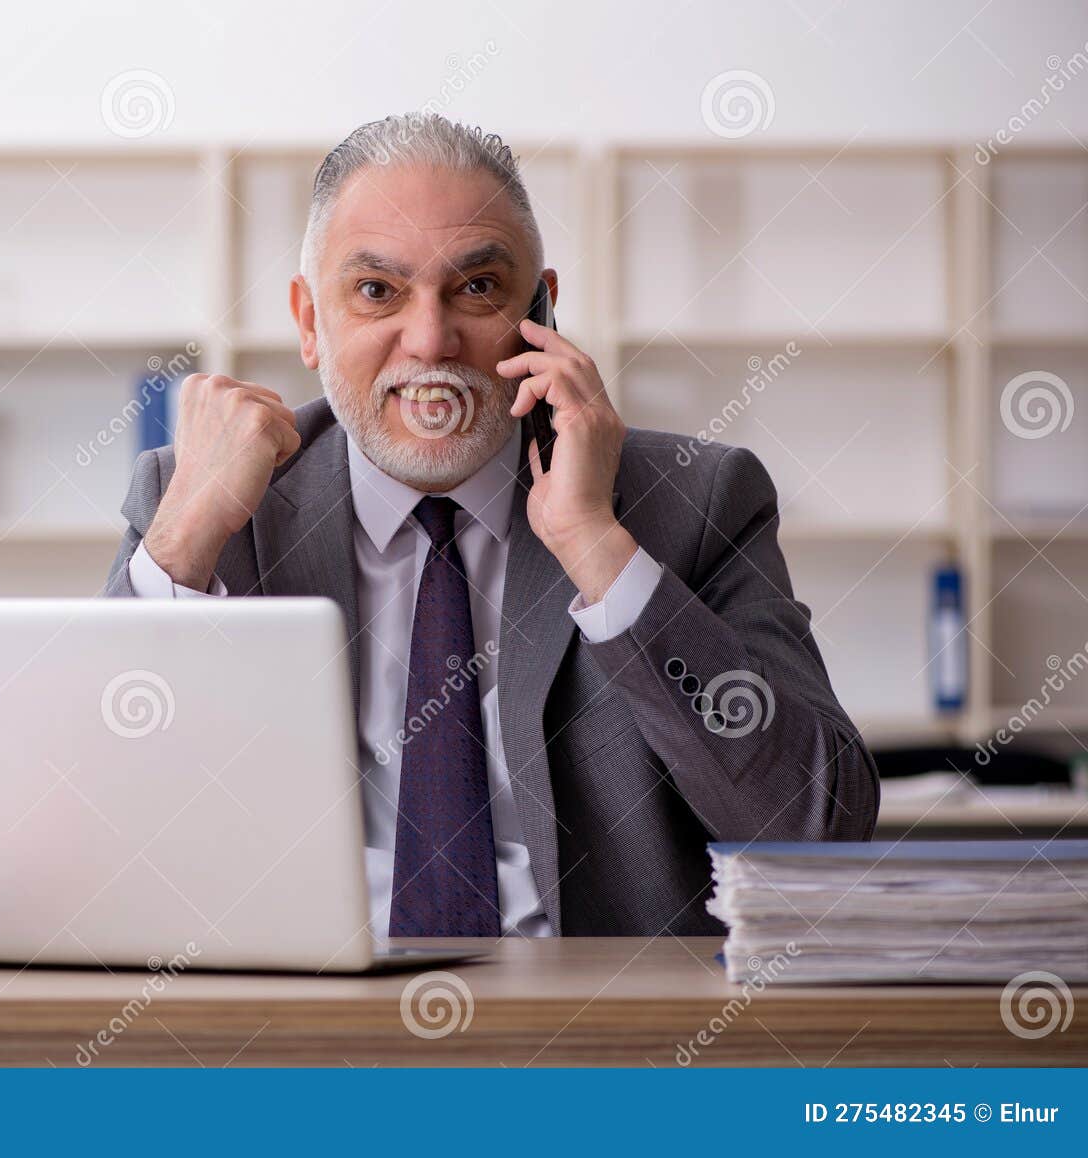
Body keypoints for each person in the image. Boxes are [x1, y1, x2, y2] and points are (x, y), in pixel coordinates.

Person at [104, 112, 878, 937]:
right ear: (307, 321)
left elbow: (814, 826)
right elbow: (88, 819)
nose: (431, 340)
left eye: (476, 288)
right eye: (377, 291)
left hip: (600, 1035)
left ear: (541, 309)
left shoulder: (693, 500)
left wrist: (598, 547)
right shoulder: (203, 505)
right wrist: (182, 541)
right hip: (301, 1025)